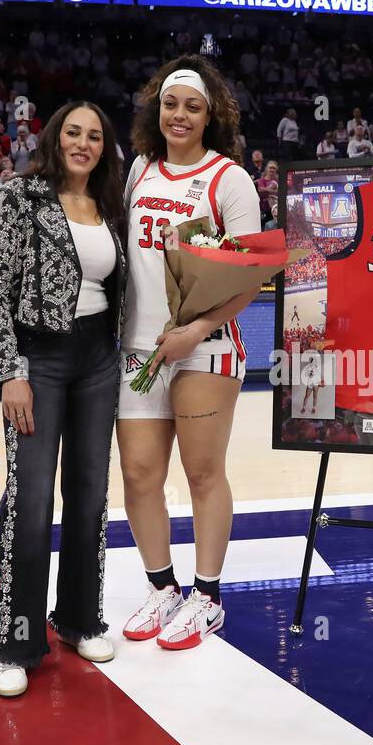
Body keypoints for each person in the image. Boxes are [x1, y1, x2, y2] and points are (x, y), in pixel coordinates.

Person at [0, 100, 128, 697]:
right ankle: (15, 641)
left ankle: (79, 617)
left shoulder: (109, 204)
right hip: (36, 361)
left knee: (90, 495)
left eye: (94, 136)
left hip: (98, 359)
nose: (83, 143)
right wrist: (10, 370)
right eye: (73, 132)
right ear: (55, 136)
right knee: (31, 499)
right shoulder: (19, 196)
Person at [119, 55, 262, 651]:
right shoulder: (138, 171)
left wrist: (195, 328)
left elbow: (251, 276)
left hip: (204, 346)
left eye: (192, 107)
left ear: (210, 116)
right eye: (171, 104)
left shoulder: (229, 178)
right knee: (139, 475)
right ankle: (162, 588)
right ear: (158, 110)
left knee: (202, 474)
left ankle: (207, 596)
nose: (180, 115)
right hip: (137, 347)